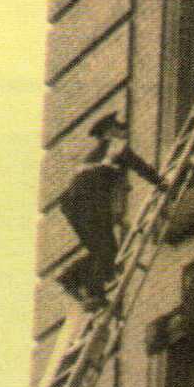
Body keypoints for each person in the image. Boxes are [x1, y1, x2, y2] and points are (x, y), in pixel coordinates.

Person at [58, 110, 165, 307]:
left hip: (72, 206)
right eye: (117, 127)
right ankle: (89, 290)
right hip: (90, 202)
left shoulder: (91, 156)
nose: (122, 131)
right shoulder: (116, 147)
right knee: (105, 249)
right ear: (108, 132)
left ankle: (72, 278)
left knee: (101, 249)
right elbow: (138, 165)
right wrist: (161, 182)